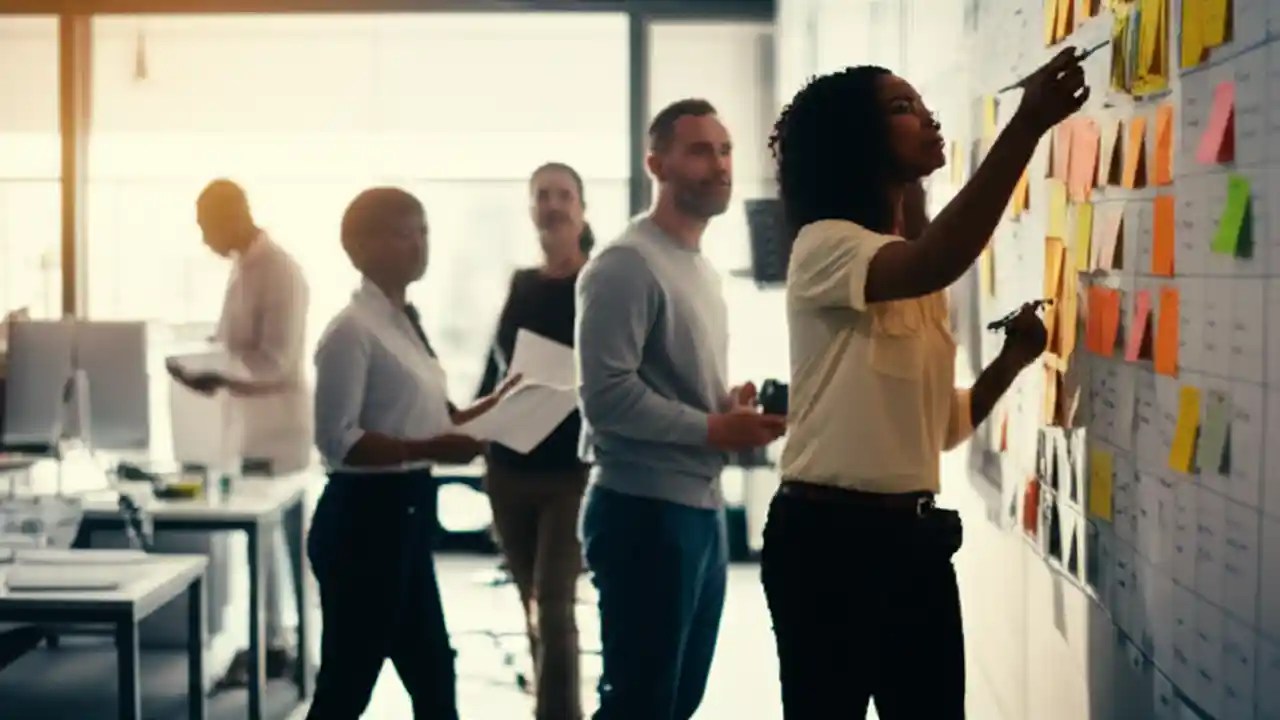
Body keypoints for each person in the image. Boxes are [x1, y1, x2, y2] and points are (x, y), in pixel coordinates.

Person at [758, 49, 1088, 719]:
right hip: (826, 542)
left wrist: (1013, 361)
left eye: (921, 105)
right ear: (856, 141)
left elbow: (943, 427)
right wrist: (1026, 126)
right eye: (902, 109)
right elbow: (938, 258)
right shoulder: (826, 246)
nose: (928, 119)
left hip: (912, 543)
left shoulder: (907, 270)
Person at [576, 98, 787, 720]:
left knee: (676, 703)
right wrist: (715, 426)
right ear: (656, 164)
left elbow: (671, 385)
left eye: (724, 151)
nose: (719, 165)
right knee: (641, 705)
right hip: (642, 512)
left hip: (698, 510)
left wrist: (726, 405)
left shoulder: (701, 269)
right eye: (699, 150)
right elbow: (607, 397)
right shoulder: (624, 264)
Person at [308, 187, 520, 718]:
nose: (418, 244)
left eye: (423, 230)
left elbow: (440, 419)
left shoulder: (404, 322)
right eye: (404, 233)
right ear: (361, 245)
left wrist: (506, 402)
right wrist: (429, 449)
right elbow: (338, 440)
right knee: (348, 684)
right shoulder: (350, 331)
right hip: (362, 523)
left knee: (432, 675)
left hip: (405, 520)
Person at [167, 178, 308, 684]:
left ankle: (283, 647)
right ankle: (270, 645)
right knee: (262, 548)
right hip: (251, 430)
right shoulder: (246, 267)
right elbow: (242, 344)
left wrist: (217, 374)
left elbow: (278, 361)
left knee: (279, 545)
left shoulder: (278, 270)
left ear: (233, 215)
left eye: (206, 225)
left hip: (275, 434)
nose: (203, 237)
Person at [476, 162, 595, 720]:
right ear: (531, 209)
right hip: (509, 467)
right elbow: (497, 367)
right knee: (533, 603)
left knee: (553, 606)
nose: (552, 204)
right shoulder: (522, 283)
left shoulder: (597, 283)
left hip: (569, 471)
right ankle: (547, 706)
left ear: (582, 208)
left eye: (563, 195)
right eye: (542, 195)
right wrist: (469, 423)